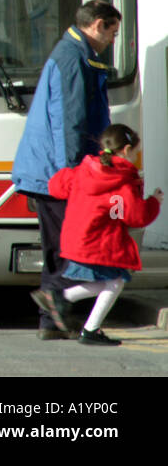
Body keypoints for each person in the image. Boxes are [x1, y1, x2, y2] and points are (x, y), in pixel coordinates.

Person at [11, 0, 121, 339]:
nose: (113, 40)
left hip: (49, 172)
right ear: (98, 24)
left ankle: (54, 320)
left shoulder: (70, 52)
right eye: (113, 32)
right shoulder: (73, 58)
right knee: (65, 246)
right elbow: (69, 122)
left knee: (59, 246)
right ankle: (55, 308)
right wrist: (74, 175)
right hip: (57, 175)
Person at [34, 124, 163, 346]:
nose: (136, 157)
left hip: (77, 239)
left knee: (108, 281)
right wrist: (154, 201)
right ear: (126, 150)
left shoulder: (84, 170)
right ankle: (89, 329)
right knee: (115, 282)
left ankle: (60, 298)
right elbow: (135, 217)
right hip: (101, 242)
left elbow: (56, 186)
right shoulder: (123, 181)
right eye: (136, 153)